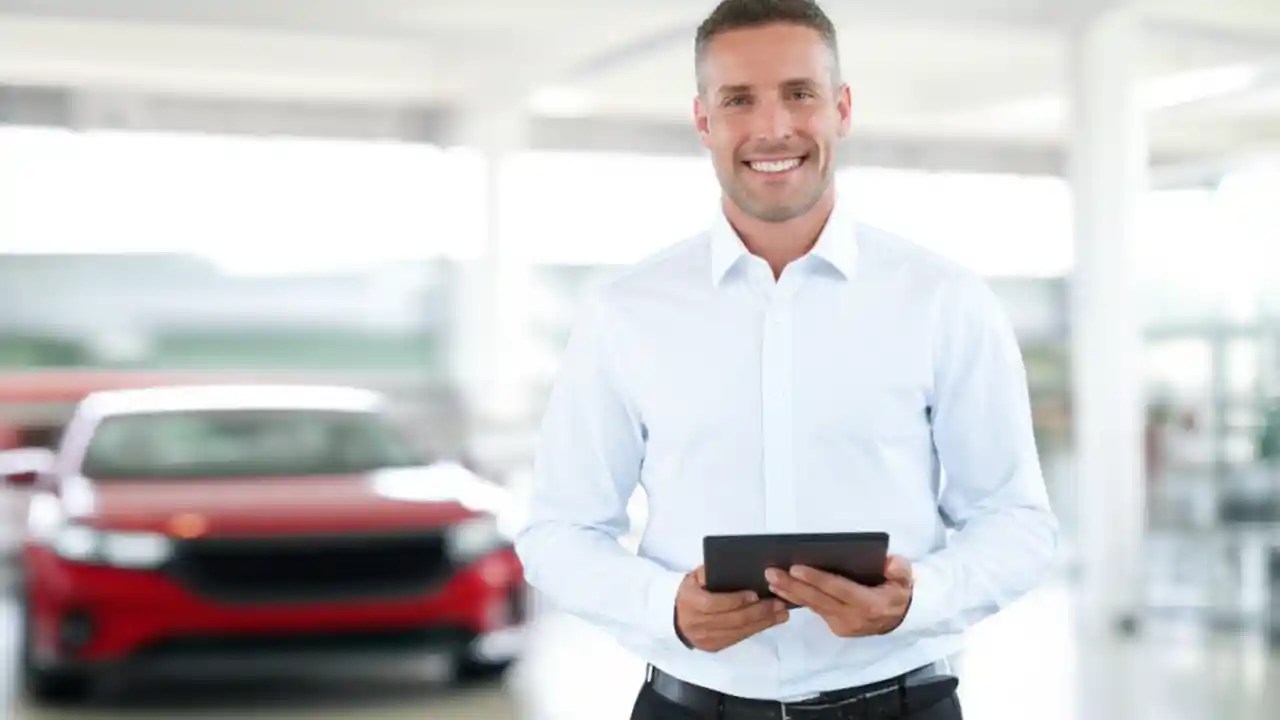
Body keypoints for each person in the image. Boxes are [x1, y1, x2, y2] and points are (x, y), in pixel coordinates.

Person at [514, 1, 1058, 718]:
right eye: (740, 100)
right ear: (704, 120)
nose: (773, 129)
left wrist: (919, 599)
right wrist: (663, 607)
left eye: (799, 94)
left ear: (842, 108)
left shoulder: (944, 300)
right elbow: (559, 531)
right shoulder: (625, 313)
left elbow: (1016, 521)